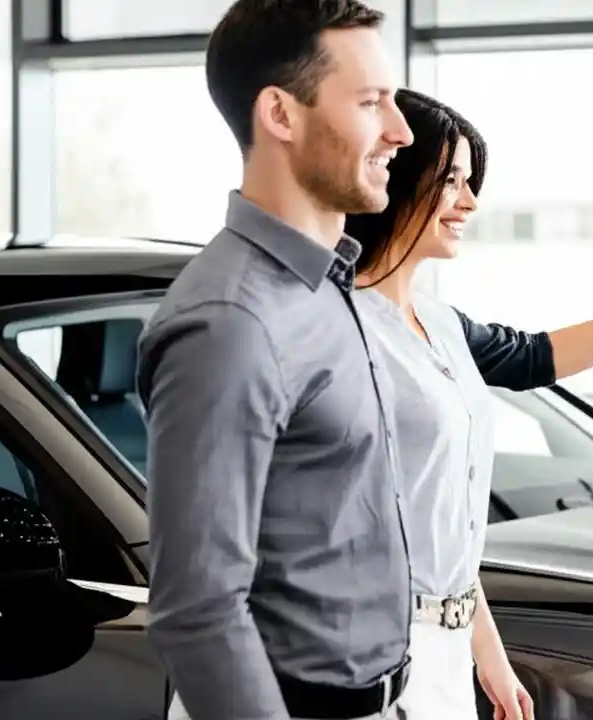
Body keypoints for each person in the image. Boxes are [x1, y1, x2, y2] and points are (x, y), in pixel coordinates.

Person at [341, 88, 593, 719]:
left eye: (470, 182)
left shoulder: (440, 323)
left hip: (445, 655)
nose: (469, 201)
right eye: (451, 180)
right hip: (369, 653)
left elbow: (446, 517)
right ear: (395, 171)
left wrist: (492, 662)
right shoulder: (337, 328)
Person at [138, 2, 416, 719]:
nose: (401, 131)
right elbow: (197, 611)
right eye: (371, 102)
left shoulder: (328, 287)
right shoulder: (232, 322)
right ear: (281, 115)